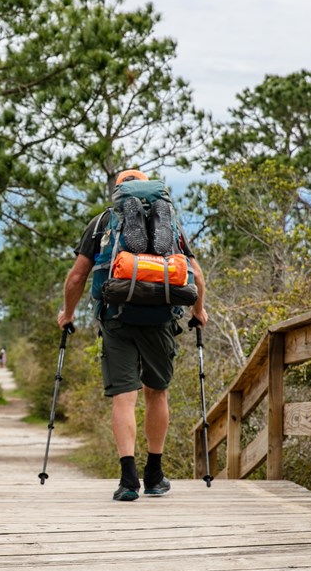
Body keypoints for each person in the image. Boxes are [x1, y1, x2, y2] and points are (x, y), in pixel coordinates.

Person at [56, 169, 208, 501]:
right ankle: (154, 473)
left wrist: (67, 315)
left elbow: (77, 277)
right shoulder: (168, 223)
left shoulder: (101, 224)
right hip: (161, 319)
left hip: (117, 316)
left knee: (125, 397)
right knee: (158, 393)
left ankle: (128, 480)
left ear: (120, 193)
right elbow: (195, 274)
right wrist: (199, 313)